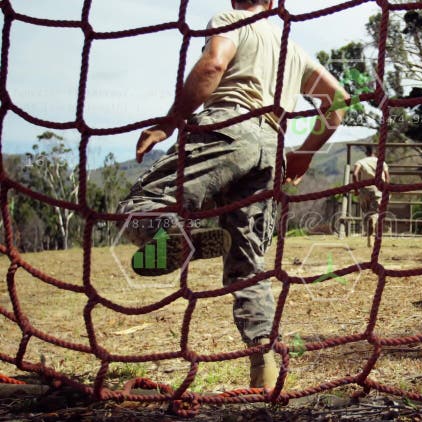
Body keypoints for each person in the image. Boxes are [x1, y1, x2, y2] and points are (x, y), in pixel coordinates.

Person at [116, 0, 347, 390]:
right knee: (248, 263)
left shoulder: (233, 20)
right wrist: (303, 155)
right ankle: (264, 371)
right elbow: (338, 101)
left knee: (136, 206)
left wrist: (169, 123)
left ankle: (176, 234)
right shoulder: (292, 47)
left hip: (227, 126)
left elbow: (213, 66)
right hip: (270, 148)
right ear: (273, 3)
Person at [351, 145, 390, 247]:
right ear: (375, 152)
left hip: (364, 189)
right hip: (378, 189)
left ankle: (369, 239)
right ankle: (373, 225)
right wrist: (386, 189)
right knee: (376, 212)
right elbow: (387, 177)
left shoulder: (360, 162)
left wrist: (356, 189)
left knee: (367, 212)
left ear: (366, 152)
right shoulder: (381, 162)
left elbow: (354, 174)